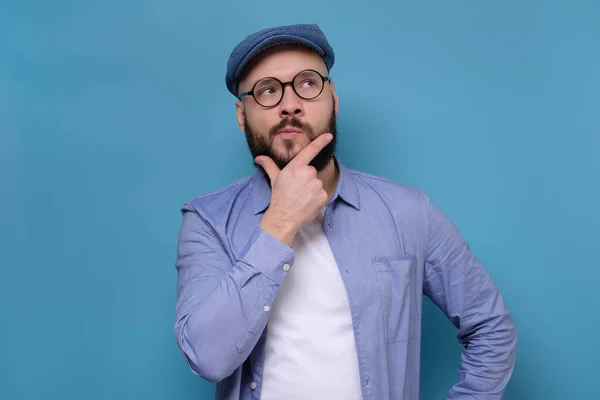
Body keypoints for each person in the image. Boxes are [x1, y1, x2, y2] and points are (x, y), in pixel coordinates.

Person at [174, 23, 517, 400]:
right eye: (267, 91)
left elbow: (490, 327)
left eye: (307, 83)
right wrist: (281, 222)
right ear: (242, 115)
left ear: (333, 98)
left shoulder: (408, 212)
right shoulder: (207, 221)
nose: (290, 104)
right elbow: (206, 358)